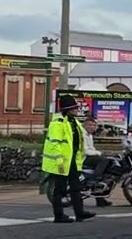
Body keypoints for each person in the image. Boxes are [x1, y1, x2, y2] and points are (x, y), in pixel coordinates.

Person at [41, 95, 95, 223]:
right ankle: (59, 215)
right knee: (60, 189)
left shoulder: (74, 122)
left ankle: (79, 213)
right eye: (74, 108)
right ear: (68, 109)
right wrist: (60, 162)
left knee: (76, 188)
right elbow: (54, 144)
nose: (77, 110)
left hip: (73, 162)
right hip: (60, 162)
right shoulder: (58, 123)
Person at [80, 118, 113, 208]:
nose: (92, 127)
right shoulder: (82, 134)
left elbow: (91, 148)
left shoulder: (89, 135)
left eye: (94, 125)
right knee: (103, 161)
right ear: (85, 125)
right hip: (82, 158)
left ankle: (100, 199)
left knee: (106, 166)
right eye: (90, 125)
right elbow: (85, 151)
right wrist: (99, 153)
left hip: (88, 156)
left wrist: (99, 153)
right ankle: (94, 179)